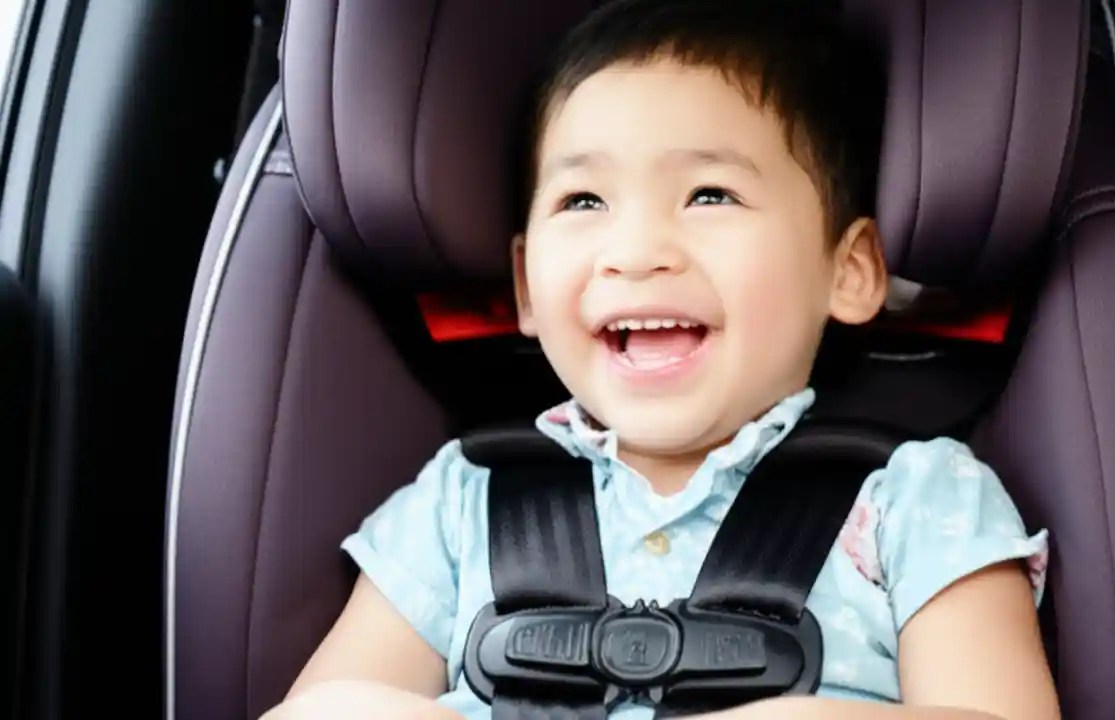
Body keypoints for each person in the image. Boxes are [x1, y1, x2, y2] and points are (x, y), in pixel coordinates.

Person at [263, 1, 1057, 718]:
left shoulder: (918, 500)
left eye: (710, 195)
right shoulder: (460, 504)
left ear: (847, 271)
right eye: (583, 202)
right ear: (525, 285)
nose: (636, 252)